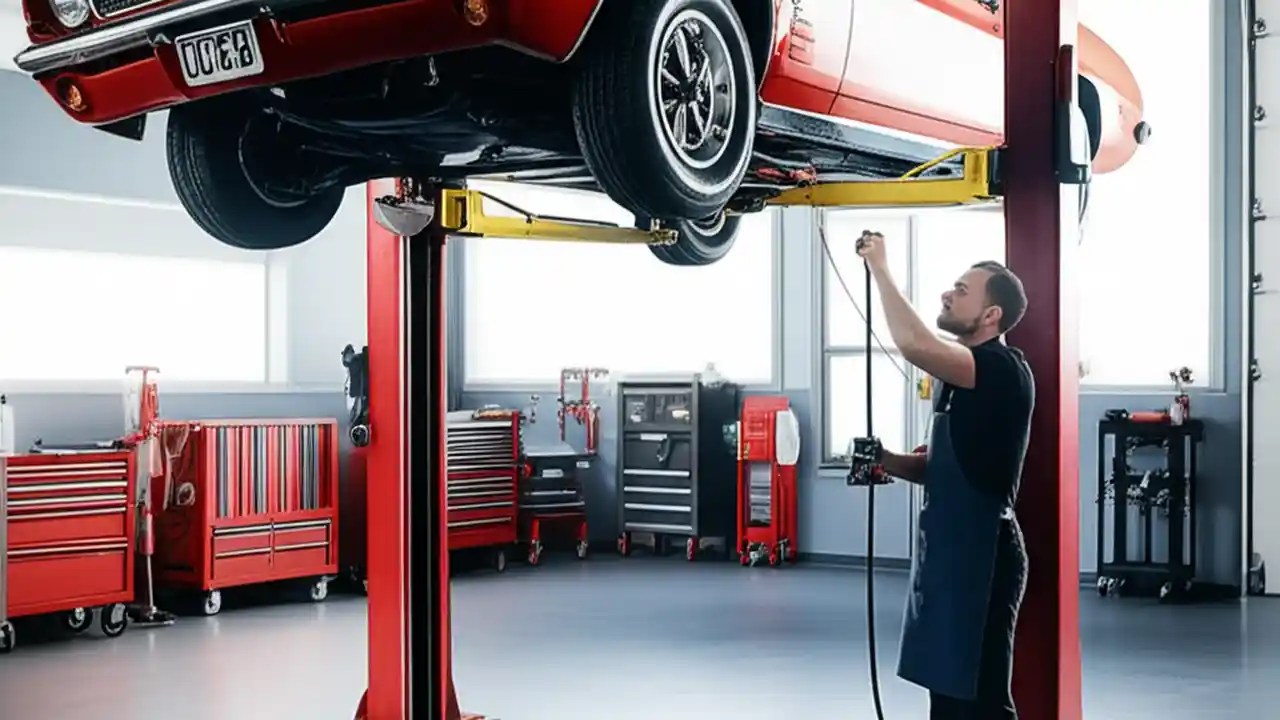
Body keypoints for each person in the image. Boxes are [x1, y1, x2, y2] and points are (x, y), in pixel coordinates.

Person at [855, 231, 1035, 720]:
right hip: (948, 553)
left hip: (984, 555)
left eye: (961, 290)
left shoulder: (999, 367)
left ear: (991, 314)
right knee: (948, 698)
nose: (947, 294)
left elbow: (913, 342)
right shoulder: (956, 381)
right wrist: (887, 460)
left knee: (981, 703)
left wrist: (880, 268)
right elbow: (946, 466)